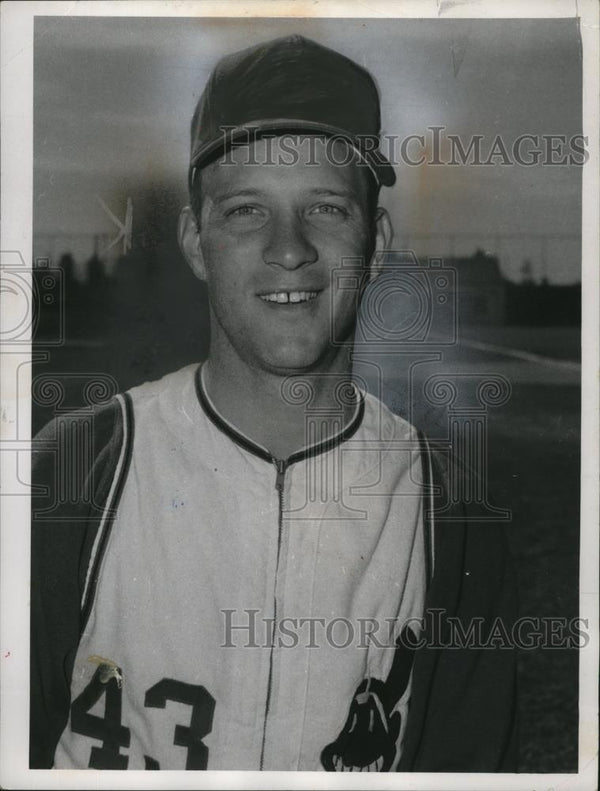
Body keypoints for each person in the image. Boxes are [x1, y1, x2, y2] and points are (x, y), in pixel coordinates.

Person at [30, 34, 517, 772]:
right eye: (246, 211)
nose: (289, 249)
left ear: (375, 242)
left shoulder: (453, 512)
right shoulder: (75, 471)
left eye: (326, 207)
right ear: (196, 240)